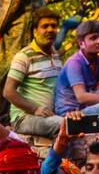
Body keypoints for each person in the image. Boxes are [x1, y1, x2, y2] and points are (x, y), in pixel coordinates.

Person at [4, 7, 64, 138]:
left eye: (53, 26)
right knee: (65, 125)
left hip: (50, 117)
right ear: (35, 31)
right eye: (45, 26)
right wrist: (35, 109)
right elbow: (8, 91)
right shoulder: (24, 56)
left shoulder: (55, 56)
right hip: (24, 119)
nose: (50, 30)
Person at [52, 19, 99, 125]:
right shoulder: (74, 63)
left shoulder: (98, 61)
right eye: (93, 38)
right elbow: (81, 97)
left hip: (86, 110)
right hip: (71, 115)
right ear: (81, 44)